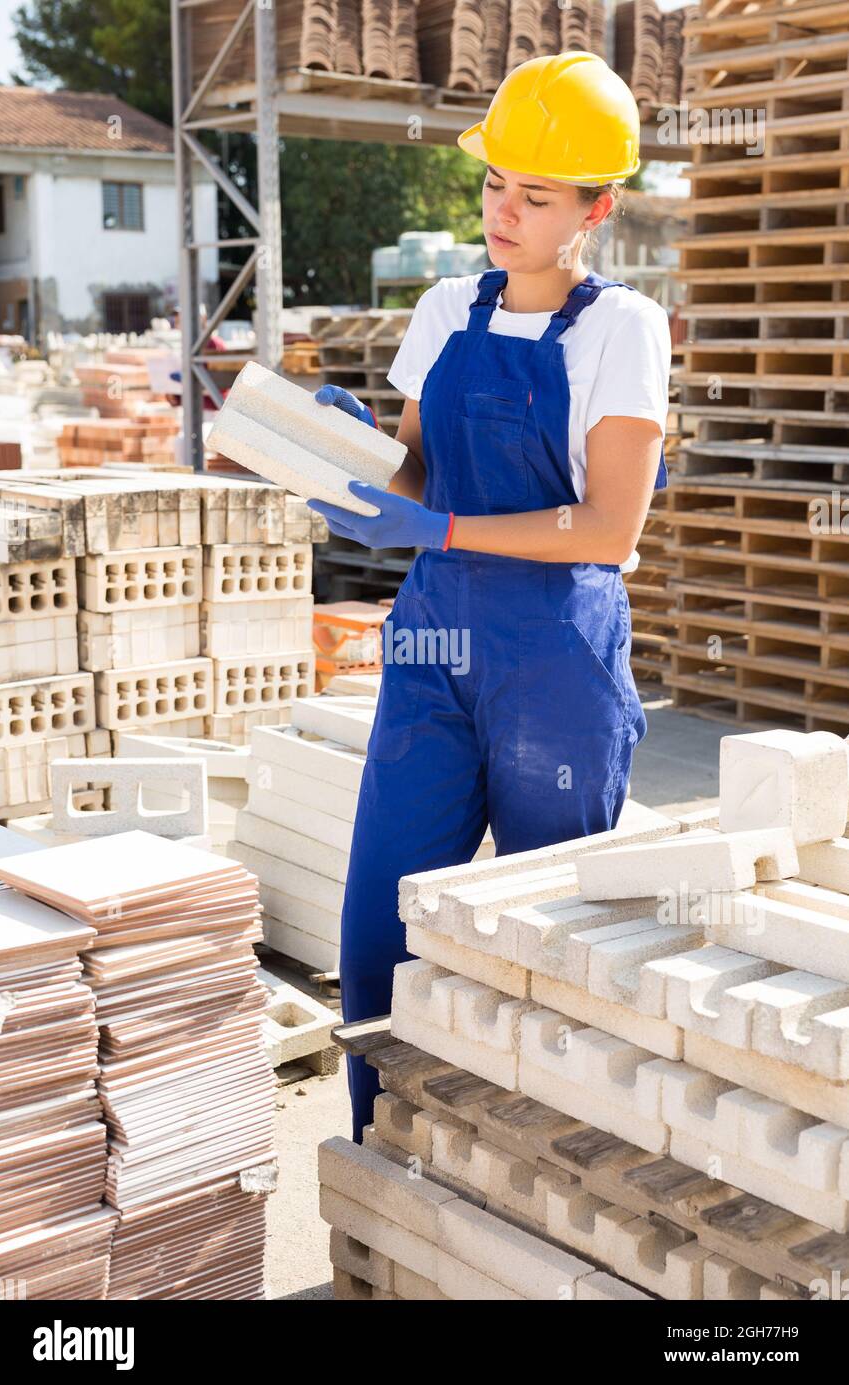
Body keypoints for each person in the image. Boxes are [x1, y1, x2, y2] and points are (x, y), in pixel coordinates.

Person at [307, 51, 671, 1142]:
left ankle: (532, 1188)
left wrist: (441, 526)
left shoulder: (622, 331)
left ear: (594, 209)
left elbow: (610, 527)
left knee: (543, 949)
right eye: (493, 185)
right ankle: (382, 1162)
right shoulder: (443, 308)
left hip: (552, 664)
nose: (502, 212)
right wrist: (350, 459)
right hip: (431, 651)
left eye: (536, 195)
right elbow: (418, 479)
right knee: (377, 932)